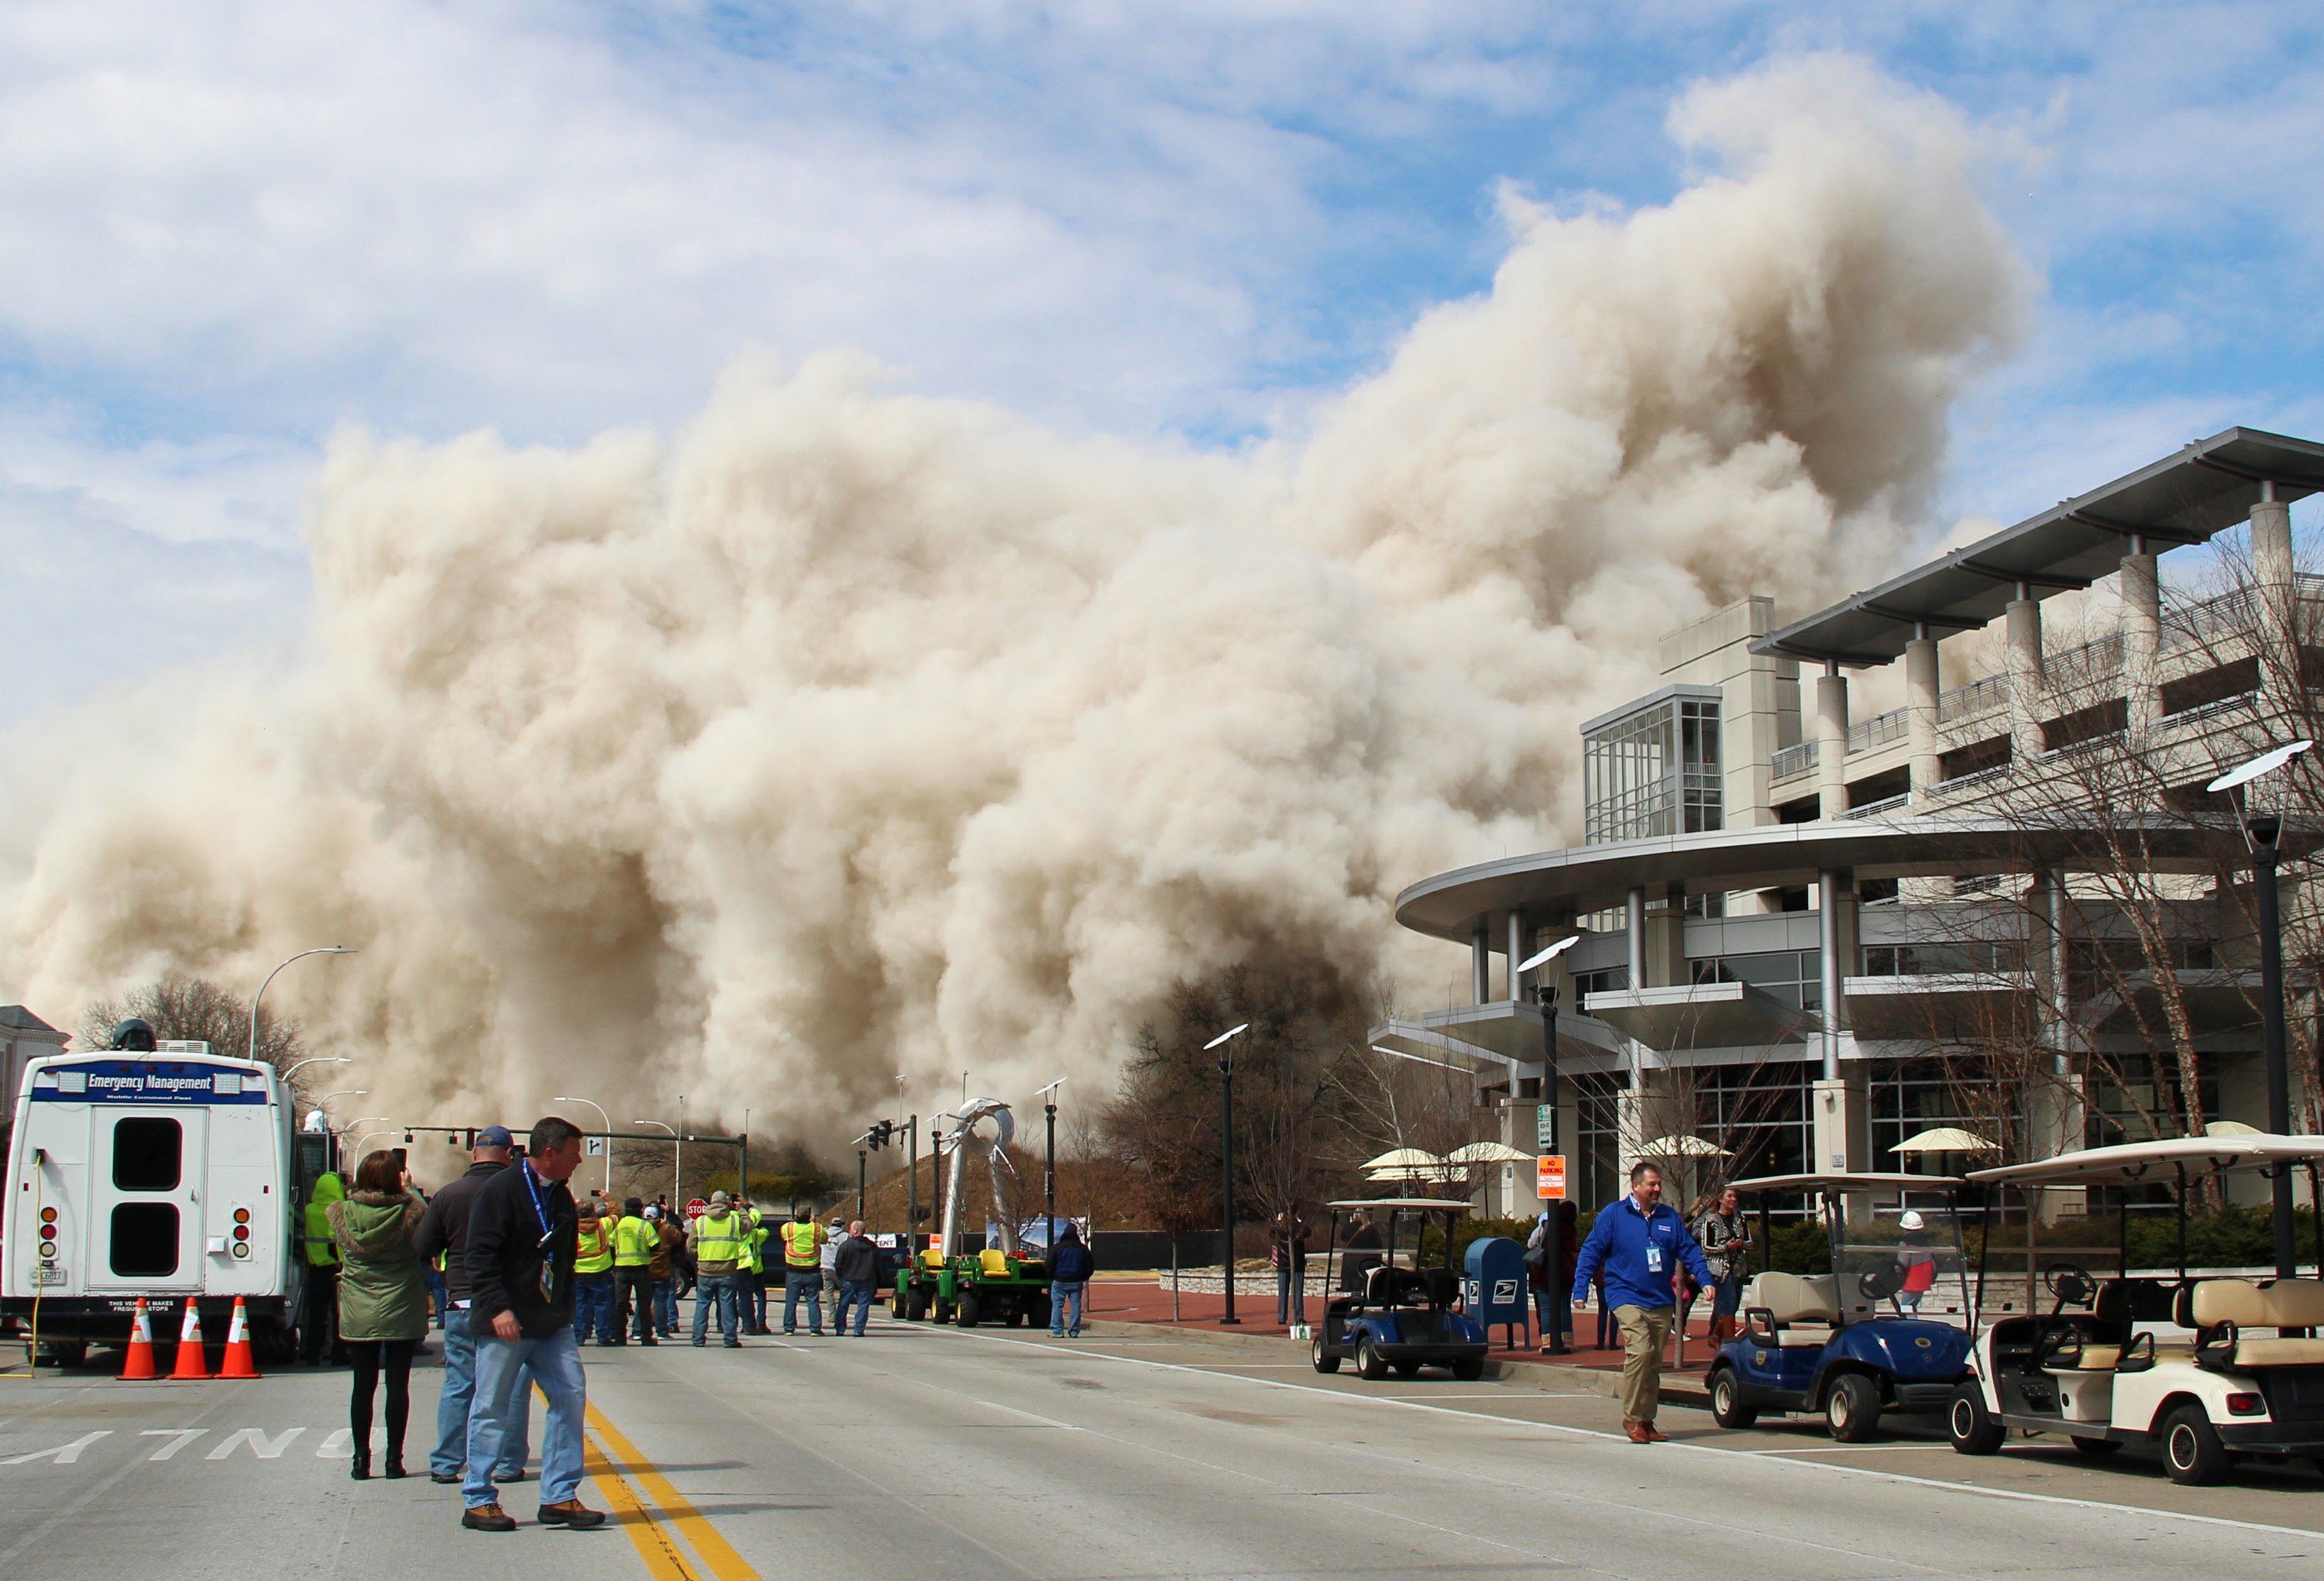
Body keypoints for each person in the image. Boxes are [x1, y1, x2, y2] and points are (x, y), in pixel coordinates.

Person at [459, 1115, 603, 1534]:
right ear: (550, 1153)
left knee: (570, 1395)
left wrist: (565, 1308)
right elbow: (480, 1257)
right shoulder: (499, 1192)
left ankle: (559, 1495)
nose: (579, 1161)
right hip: (506, 1322)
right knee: (491, 1407)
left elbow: (566, 1259)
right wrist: (499, 1309)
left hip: (550, 1323)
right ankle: (479, 1498)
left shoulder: (560, 1196)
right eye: (574, 1153)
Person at [414, 1126, 531, 1490]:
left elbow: (423, 1244)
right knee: (509, 1387)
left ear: (474, 1154)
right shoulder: (523, 1193)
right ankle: (508, 1463)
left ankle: (447, 1463)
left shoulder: (449, 1195)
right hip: (508, 1306)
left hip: (461, 1301)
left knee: (459, 1384)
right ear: (510, 1155)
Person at [1570, 1160, 1714, 1444]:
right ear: (1636, 1187)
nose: (1657, 1189)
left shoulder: (1668, 1218)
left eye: (1659, 1184)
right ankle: (1633, 1418)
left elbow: (1689, 1249)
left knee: (1653, 1362)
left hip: (1660, 1299)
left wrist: (1706, 1279)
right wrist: (1580, 1289)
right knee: (1639, 1352)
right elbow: (1591, 1251)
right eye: (1652, 1184)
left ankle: (1647, 1420)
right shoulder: (1614, 1215)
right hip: (1625, 1295)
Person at [329, 1150, 428, 1480]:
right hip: (401, 1303)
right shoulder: (411, 1211)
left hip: (359, 1305)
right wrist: (410, 1190)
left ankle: (360, 1459)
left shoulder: (342, 1213)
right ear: (395, 1178)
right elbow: (427, 1240)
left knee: (363, 1385)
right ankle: (393, 1461)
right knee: (398, 1386)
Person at [1693, 1187, 1750, 1348]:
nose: (1733, 1199)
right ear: (1721, 1199)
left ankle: (1716, 1335)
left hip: (1738, 1267)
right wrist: (1726, 1247)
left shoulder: (1740, 1219)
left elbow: (1749, 1241)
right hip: (1720, 1269)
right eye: (1730, 1196)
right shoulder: (1711, 1220)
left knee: (1733, 1304)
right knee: (1728, 1304)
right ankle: (1729, 1343)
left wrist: (1741, 1244)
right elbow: (1706, 1248)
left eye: (1735, 1196)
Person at [688, 1191, 748, 1347]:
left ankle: (698, 1338)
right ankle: (730, 1338)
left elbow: (690, 1246)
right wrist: (741, 1209)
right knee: (727, 1303)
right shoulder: (734, 1220)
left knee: (702, 1303)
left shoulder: (700, 1222)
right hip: (728, 1269)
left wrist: (702, 1255)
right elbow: (749, 1226)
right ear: (727, 1203)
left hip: (706, 1269)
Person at [299, 1170, 345, 1366]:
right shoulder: (339, 1210)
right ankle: (339, 1354)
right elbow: (333, 1240)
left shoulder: (309, 1210)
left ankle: (312, 1353)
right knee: (339, 1316)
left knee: (316, 1314)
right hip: (337, 1270)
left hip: (315, 1268)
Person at [1527, 1199, 1580, 1354]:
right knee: (1564, 1308)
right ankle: (1568, 1341)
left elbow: (1531, 1244)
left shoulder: (1545, 1225)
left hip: (1542, 1272)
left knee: (1545, 1309)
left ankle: (1547, 1342)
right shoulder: (1571, 1230)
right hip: (1564, 1273)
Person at [611, 1197, 659, 1346]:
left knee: (620, 1304)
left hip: (621, 1269)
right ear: (640, 1210)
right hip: (640, 1268)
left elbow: (611, 1244)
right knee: (644, 1304)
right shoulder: (644, 1225)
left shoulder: (620, 1225)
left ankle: (619, 1337)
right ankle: (646, 1337)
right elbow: (655, 1245)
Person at [779, 1205, 828, 1335]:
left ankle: (789, 1328)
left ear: (796, 1216)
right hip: (812, 1270)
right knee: (812, 1300)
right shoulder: (817, 1228)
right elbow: (824, 1239)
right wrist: (814, 1222)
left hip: (793, 1269)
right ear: (810, 1216)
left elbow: (783, 1237)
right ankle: (815, 1328)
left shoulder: (788, 1227)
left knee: (791, 1300)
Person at [572, 1201, 615, 1344]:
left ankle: (579, 1336)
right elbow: (616, 1215)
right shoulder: (603, 1225)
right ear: (593, 1212)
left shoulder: (572, 1227)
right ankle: (603, 1337)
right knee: (602, 1305)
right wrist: (608, 1199)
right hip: (600, 1271)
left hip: (578, 1271)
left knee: (580, 1305)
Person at [832, 1218, 881, 1335]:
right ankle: (859, 1330)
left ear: (855, 1231)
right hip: (866, 1280)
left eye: (851, 1228)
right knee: (863, 1306)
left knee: (843, 1305)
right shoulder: (872, 1246)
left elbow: (838, 1263)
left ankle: (840, 1329)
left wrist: (841, 1276)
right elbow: (878, 1265)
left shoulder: (846, 1246)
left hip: (849, 1279)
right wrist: (877, 1280)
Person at [1048, 1222, 1095, 1337]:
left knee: (1057, 1306)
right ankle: (1074, 1331)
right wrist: (1084, 1277)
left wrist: (1051, 1276)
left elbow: (1049, 1264)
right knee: (1075, 1306)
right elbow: (1090, 1266)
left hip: (1060, 1280)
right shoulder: (1083, 1249)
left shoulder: (1057, 1248)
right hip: (1076, 1281)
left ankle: (1058, 1330)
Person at [645, 1205, 682, 1337]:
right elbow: (678, 1237)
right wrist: (667, 1221)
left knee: (643, 1301)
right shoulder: (665, 1228)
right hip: (662, 1269)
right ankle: (662, 1330)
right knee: (661, 1301)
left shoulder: (641, 1227)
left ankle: (638, 1330)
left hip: (645, 1268)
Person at [1894, 1211, 1937, 1315]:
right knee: (1912, 1307)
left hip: (1911, 1279)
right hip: (1923, 1278)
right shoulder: (1925, 1241)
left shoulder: (1905, 1241)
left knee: (1906, 1308)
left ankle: (1910, 1328)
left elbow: (1902, 1263)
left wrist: (1896, 1274)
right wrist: (1933, 1276)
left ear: (1904, 1227)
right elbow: (1933, 1263)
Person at [1270, 1211, 1309, 1327]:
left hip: (1283, 1264)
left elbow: (1271, 1233)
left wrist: (1278, 1222)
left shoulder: (1281, 1229)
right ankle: (1299, 1316)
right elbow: (1309, 1231)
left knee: (1283, 1292)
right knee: (1298, 1292)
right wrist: (1300, 1222)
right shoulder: (1300, 1229)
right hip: (1297, 1264)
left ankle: (1282, 1316)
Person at [1339, 1210, 1384, 1294]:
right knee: (1364, 1285)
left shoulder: (1348, 1227)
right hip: (1366, 1261)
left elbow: (1343, 1237)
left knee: (1352, 1286)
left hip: (1350, 1261)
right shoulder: (1371, 1228)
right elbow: (1378, 1245)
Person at [821, 1216, 846, 1308]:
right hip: (838, 1268)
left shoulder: (824, 1233)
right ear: (841, 1225)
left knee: (828, 1292)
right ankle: (841, 1313)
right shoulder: (845, 1236)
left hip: (825, 1266)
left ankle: (832, 1314)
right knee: (844, 1291)